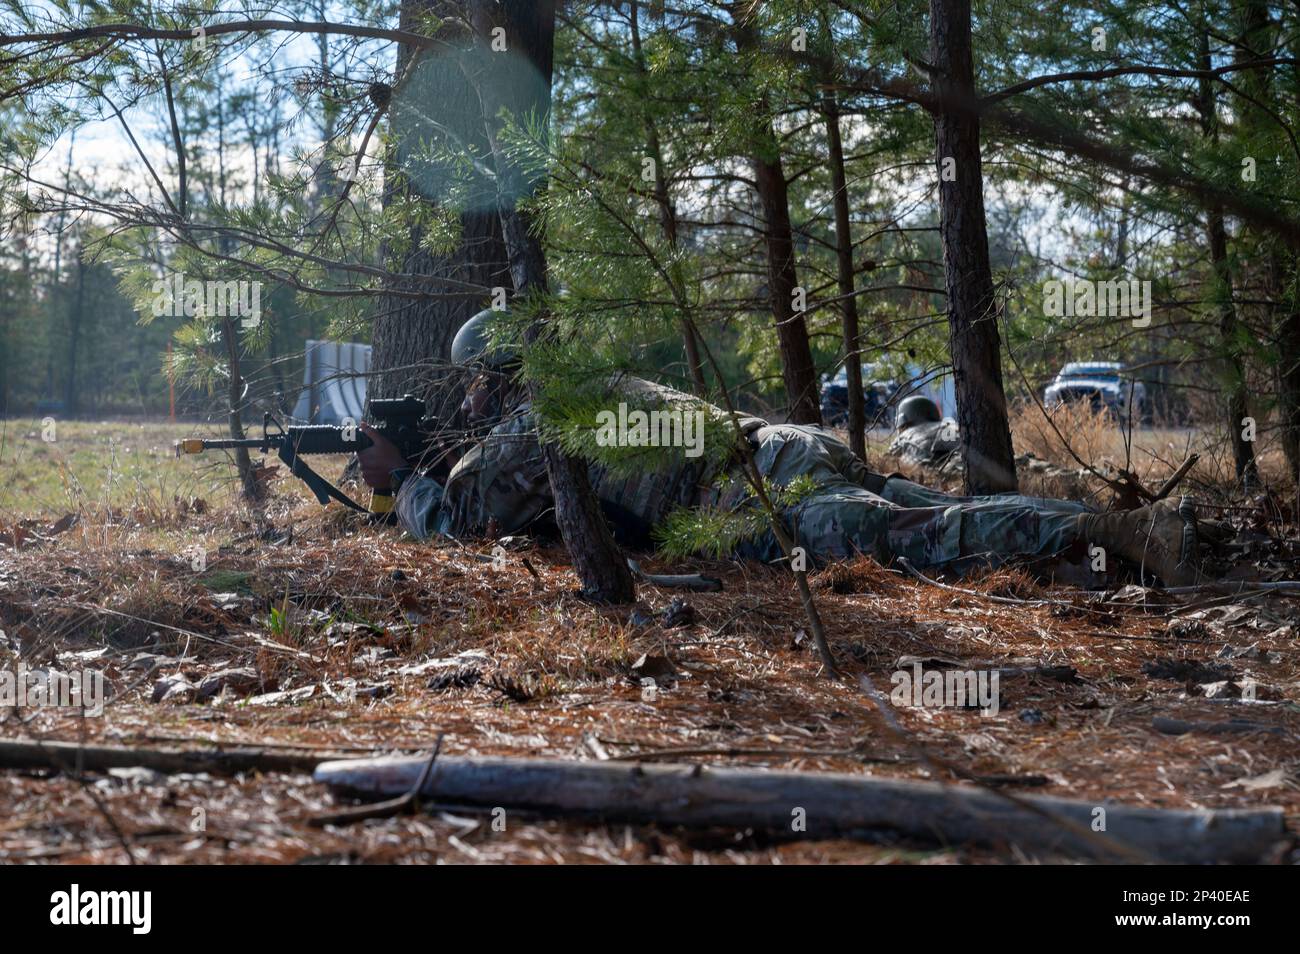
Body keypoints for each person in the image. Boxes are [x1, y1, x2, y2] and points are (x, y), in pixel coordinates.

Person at [358, 310, 1204, 585]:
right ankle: (1144, 526)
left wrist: (399, 481)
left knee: (929, 538)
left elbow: (458, 530)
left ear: (501, 378)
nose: (467, 398)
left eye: (474, 382)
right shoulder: (590, 389)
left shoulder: (530, 426)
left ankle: (1122, 539)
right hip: (789, 448)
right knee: (950, 510)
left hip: (753, 498)